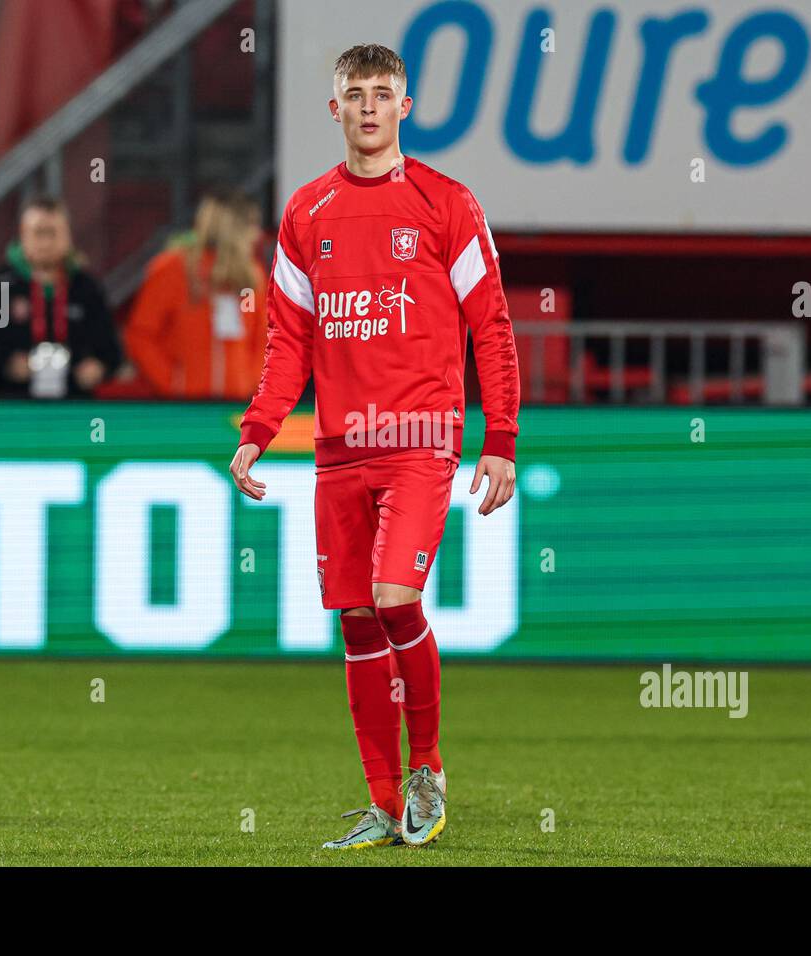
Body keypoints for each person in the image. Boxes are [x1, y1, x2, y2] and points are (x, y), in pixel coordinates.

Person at [228, 44, 520, 850]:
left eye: (381, 93)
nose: (367, 106)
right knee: (357, 622)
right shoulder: (306, 214)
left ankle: (427, 768)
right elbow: (288, 340)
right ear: (334, 110)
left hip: (421, 443)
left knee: (395, 601)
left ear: (405, 106)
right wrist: (258, 430)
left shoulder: (445, 203)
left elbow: (490, 325)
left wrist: (500, 438)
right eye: (353, 94)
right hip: (337, 450)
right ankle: (385, 804)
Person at [0, 196, 122, 400]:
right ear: (23, 235)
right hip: (11, 405)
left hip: (74, 406)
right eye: (38, 233)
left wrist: (99, 367)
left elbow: (112, 352)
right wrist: (5, 364)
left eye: (53, 233)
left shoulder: (87, 287)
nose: (46, 243)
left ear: (68, 237)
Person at [123, 189, 268, 398]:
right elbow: (140, 335)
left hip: (237, 406)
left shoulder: (252, 276)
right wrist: (172, 383)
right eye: (250, 225)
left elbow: (263, 338)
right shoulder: (173, 268)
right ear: (231, 228)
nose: (258, 234)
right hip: (184, 408)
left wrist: (251, 383)